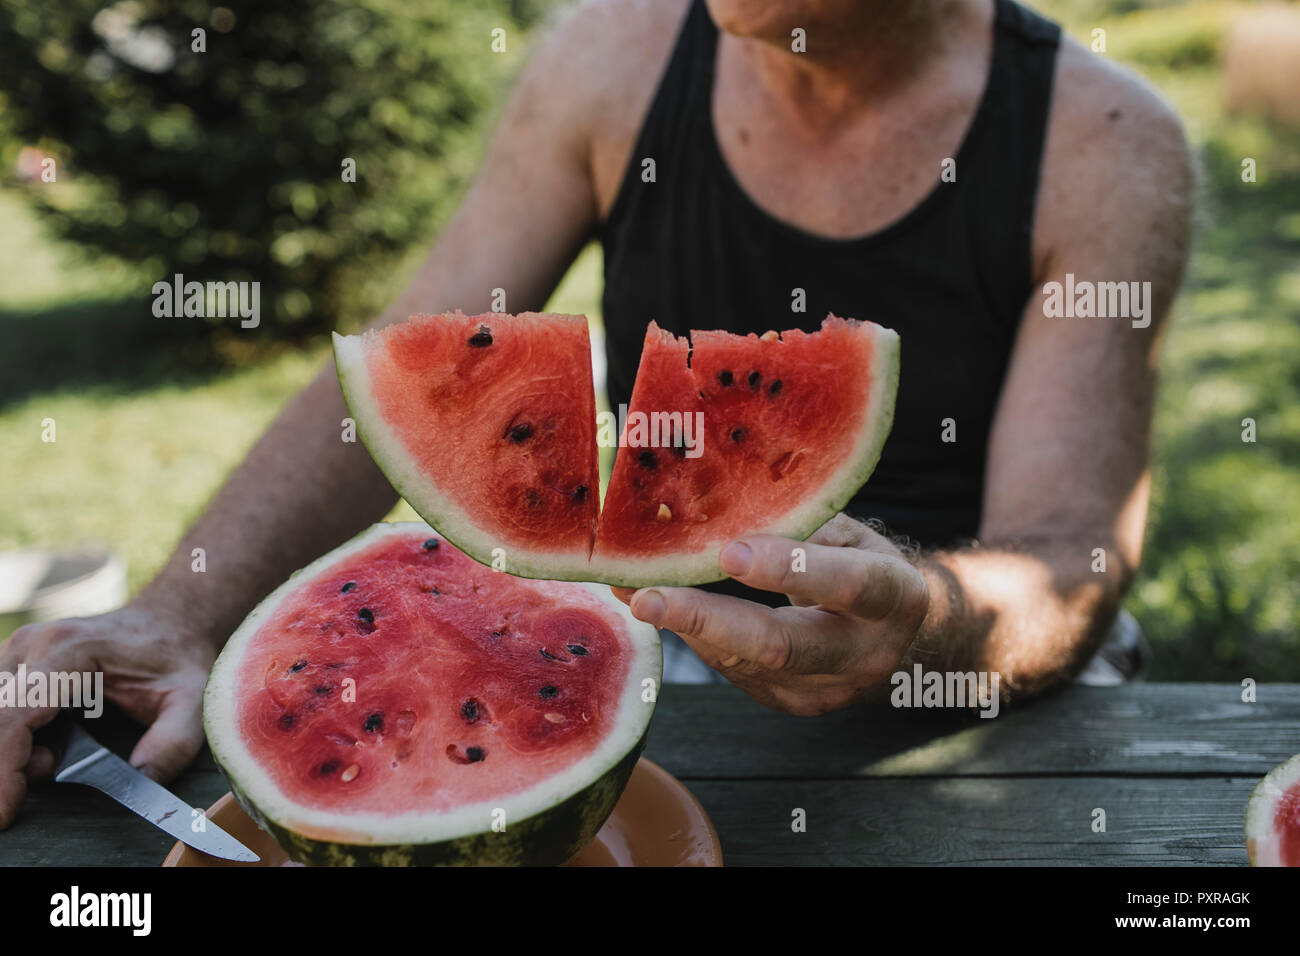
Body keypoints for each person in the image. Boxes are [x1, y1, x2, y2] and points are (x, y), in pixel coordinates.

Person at [0, 0, 1192, 828]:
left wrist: (920, 619)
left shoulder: (1102, 144)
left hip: (980, 695)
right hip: (656, 646)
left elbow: (1067, 558)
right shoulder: (610, 57)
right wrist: (177, 608)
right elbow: (406, 375)